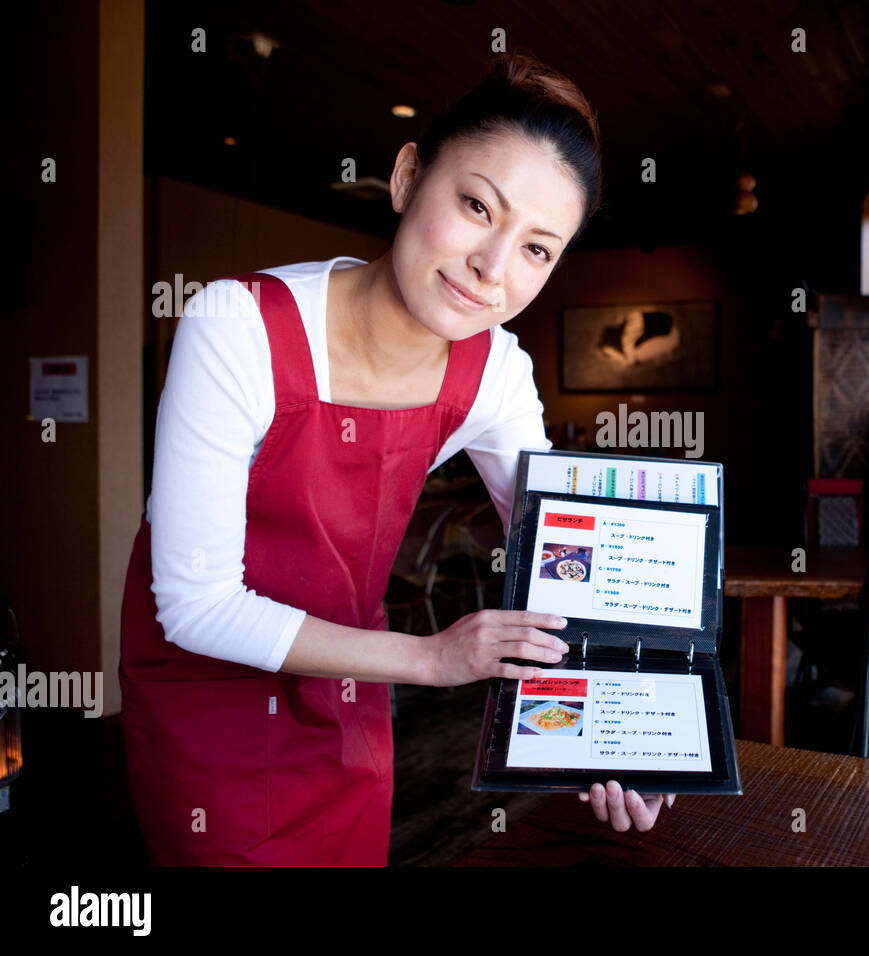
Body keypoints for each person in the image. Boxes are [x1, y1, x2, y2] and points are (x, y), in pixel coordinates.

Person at [119, 54, 671, 866]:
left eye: (538, 250)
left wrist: (617, 738)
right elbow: (196, 607)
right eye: (478, 205)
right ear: (410, 175)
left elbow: (573, 557)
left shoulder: (495, 372)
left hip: (350, 688)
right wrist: (431, 659)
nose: (493, 267)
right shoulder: (237, 326)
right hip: (209, 699)